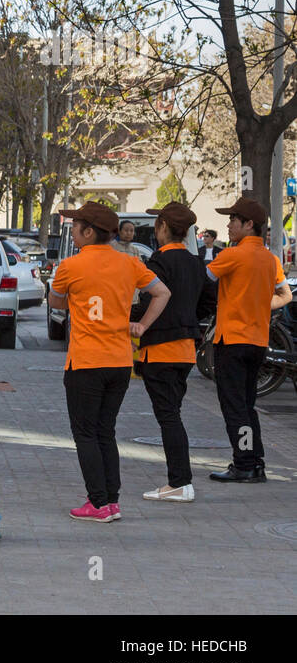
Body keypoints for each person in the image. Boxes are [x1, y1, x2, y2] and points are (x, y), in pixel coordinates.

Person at [50, 202, 169, 522]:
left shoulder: (70, 267)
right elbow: (162, 293)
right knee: (105, 430)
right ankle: (111, 500)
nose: (73, 232)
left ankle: (98, 503)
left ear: (89, 232)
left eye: (76, 227)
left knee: (85, 433)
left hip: (86, 362)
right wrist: (141, 326)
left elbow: (56, 302)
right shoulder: (130, 263)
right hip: (119, 361)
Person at [204, 197, 291, 483]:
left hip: (231, 342)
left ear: (248, 224)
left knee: (234, 407)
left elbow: (204, 279)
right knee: (247, 404)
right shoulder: (270, 259)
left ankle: (243, 464)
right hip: (257, 341)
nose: (228, 225)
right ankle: (255, 462)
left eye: (233, 220)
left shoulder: (232, 254)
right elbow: (285, 295)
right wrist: (258, 305)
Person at [134, 203, 215, 503]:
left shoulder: (158, 262)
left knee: (168, 418)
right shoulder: (196, 263)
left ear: (164, 227)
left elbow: (146, 302)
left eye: (157, 225)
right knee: (173, 415)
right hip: (185, 351)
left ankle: (180, 483)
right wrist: (187, 319)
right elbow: (210, 299)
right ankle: (179, 481)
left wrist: (139, 320)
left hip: (160, 351)